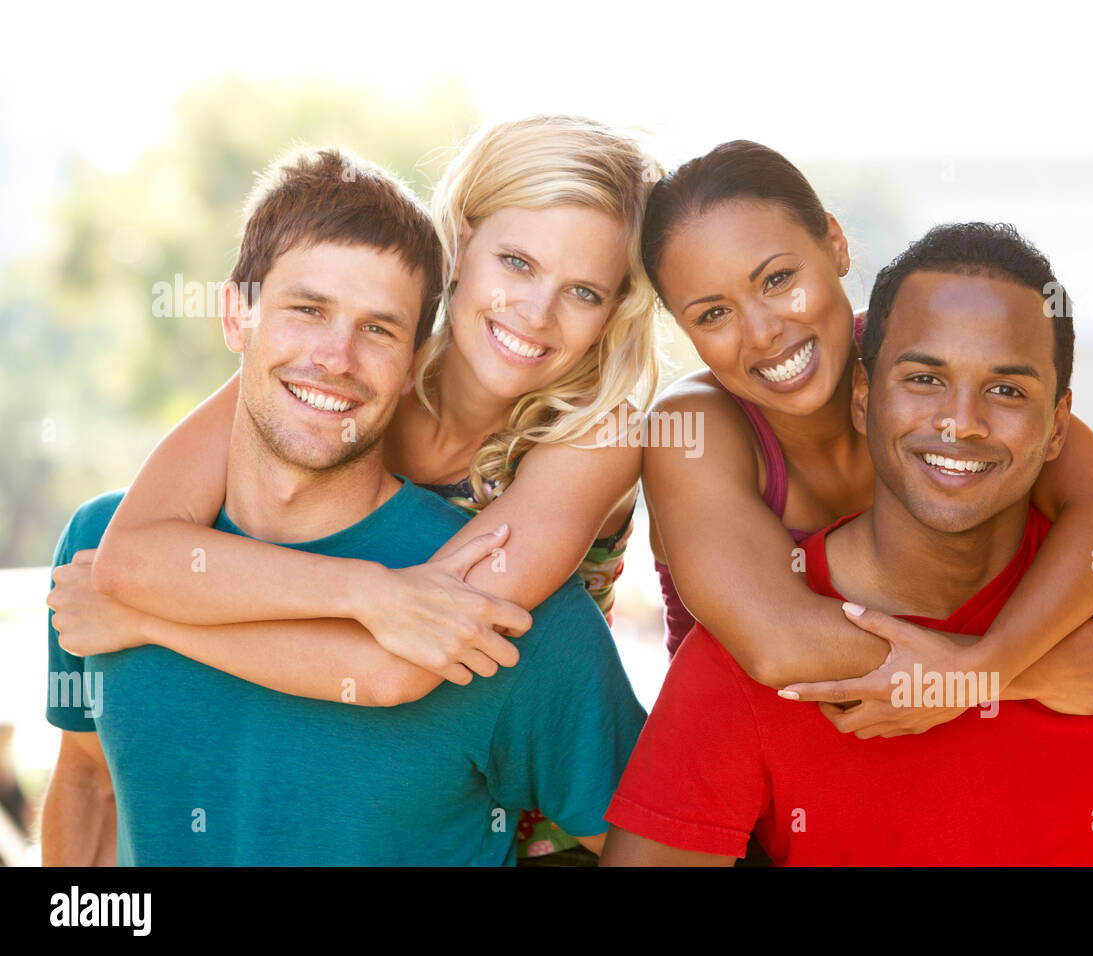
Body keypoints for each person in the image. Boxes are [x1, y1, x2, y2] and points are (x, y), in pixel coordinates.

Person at [51, 116, 660, 863]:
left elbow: (390, 667)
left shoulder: (596, 433)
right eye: (517, 263)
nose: (536, 313)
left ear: (617, 307)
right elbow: (132, 558)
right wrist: (367, 592)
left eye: (585, 293)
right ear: (461, 241)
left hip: (543, 816)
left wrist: (150, 627)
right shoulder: (354, 360)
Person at [636, 140, 1093, 863]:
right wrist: (1019, 674)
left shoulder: (927, 356)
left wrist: (980, 676)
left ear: (835, 243)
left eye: (778, 279)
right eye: (712, 313)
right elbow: (777, 641)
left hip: (973, 750)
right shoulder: (698, 428)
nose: (764, 330)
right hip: (767, 796)